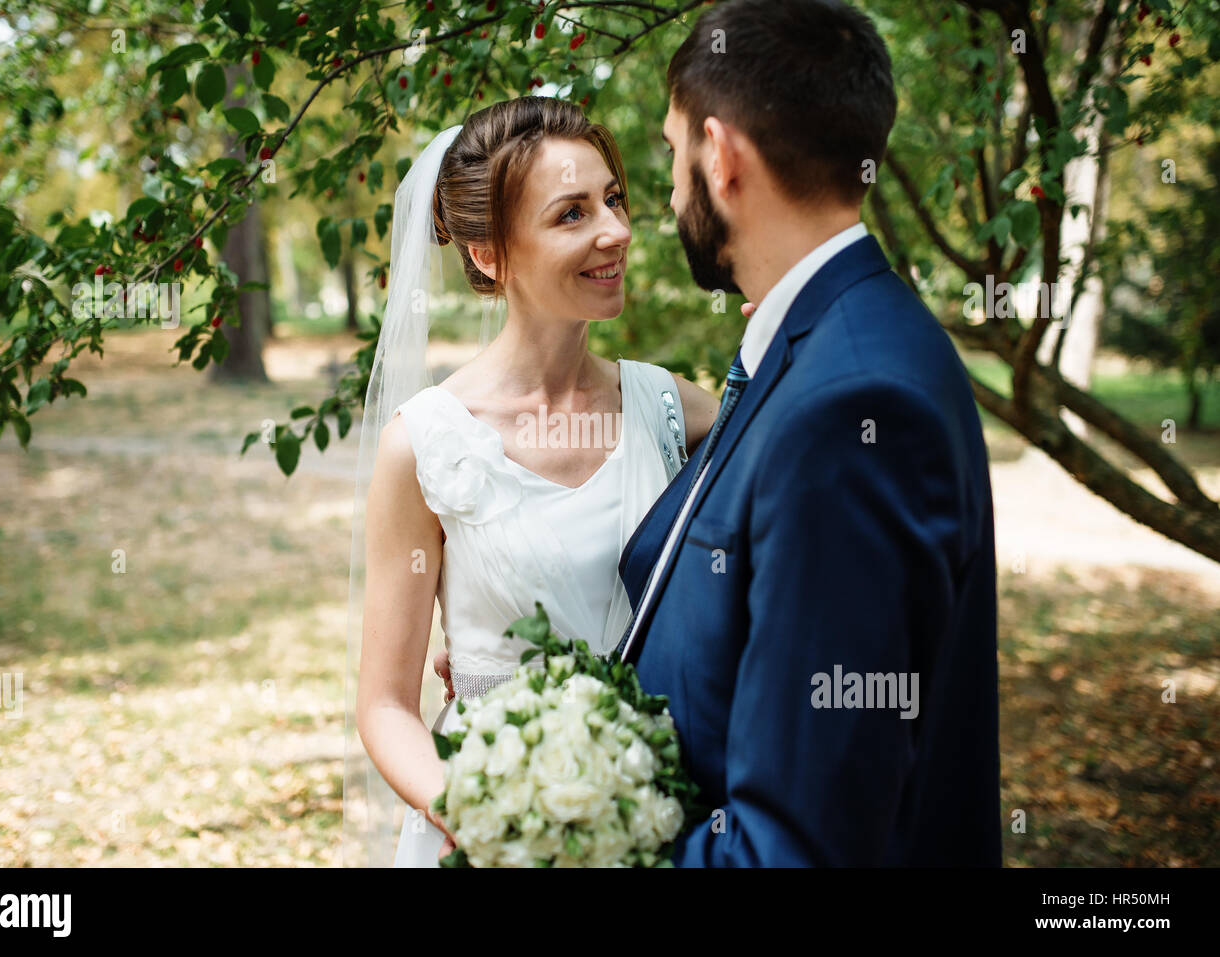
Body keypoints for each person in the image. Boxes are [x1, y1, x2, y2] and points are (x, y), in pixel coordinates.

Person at [617, 0, 1002, 865]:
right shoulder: (830, 340)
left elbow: (797, 848)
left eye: (674, 153)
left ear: (721, 157)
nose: (671, 189)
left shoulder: (852, 405)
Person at [352, 96, 719, 866]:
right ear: (488, 253)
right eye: (571, 214)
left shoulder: (673, 410)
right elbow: (386, 703)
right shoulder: (424, 447)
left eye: (614, 200)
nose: (615, 231)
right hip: (490, 834)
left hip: (660, 817)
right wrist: (487, 814)